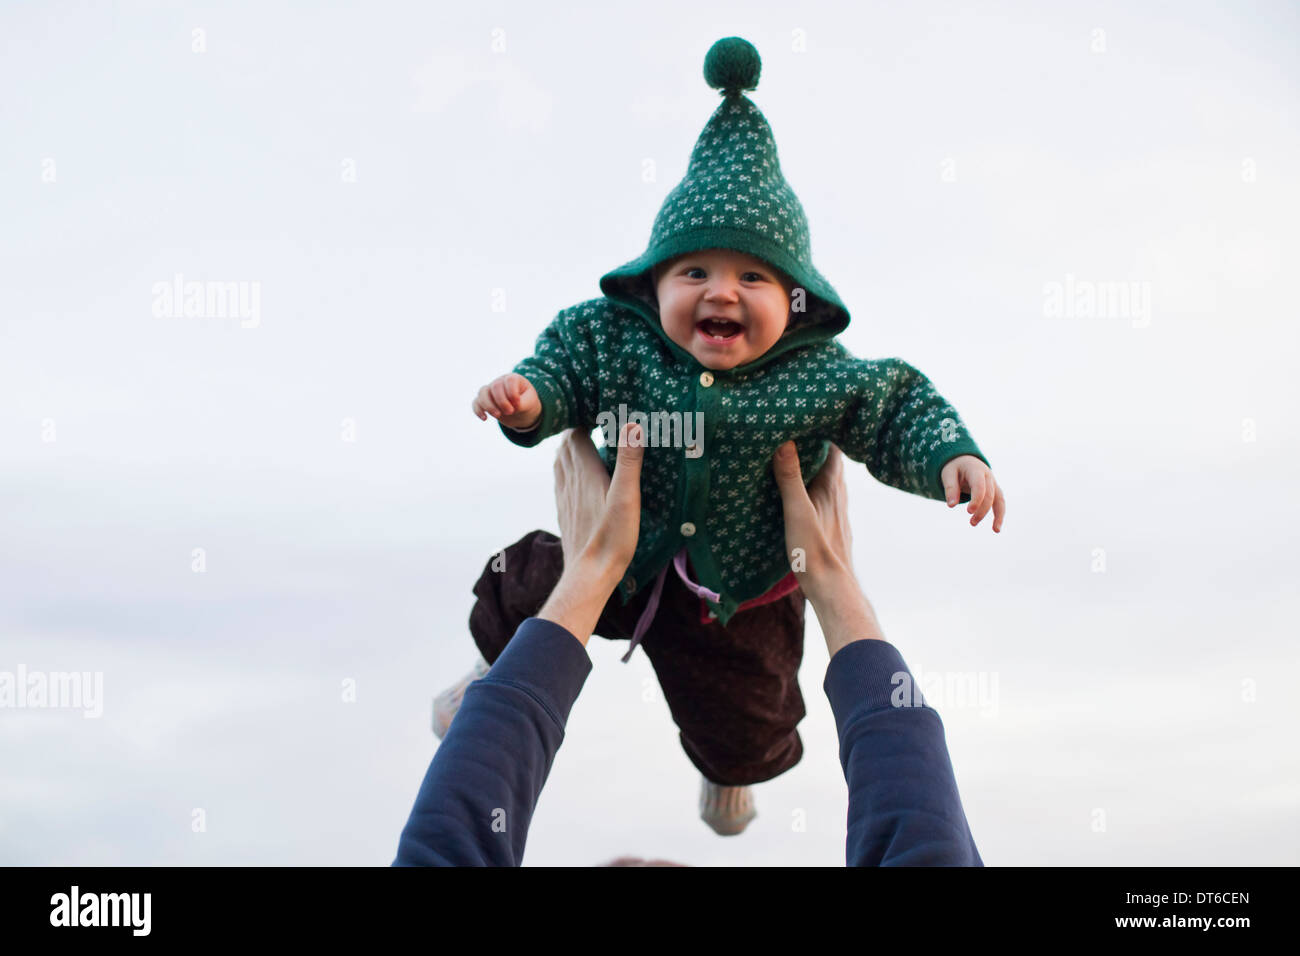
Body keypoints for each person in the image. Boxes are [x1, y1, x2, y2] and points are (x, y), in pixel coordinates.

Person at [438, 35, 1006, 836]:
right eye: (694, 273)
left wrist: (952, 454)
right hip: (618, 545)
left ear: (796, 299)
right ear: (654, 285)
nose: (720, 293)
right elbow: (563, 368)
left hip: (743, 588)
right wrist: (530, 401)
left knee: (751, 704)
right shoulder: (619, 339)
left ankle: (729, 771)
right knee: (525, 583)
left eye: (752, 276)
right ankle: (490, 681)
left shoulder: (816, 375)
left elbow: (894, 404)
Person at [393, 423, 983, 866]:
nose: (722, 294)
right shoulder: (641, 336)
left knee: (550, 586)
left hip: (656, 564)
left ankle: (723, 761)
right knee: (750, 704)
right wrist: (834, 580)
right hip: (677, 565)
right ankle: (730, 759)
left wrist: (592, 563)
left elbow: (448, 845)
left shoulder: (797, 367)